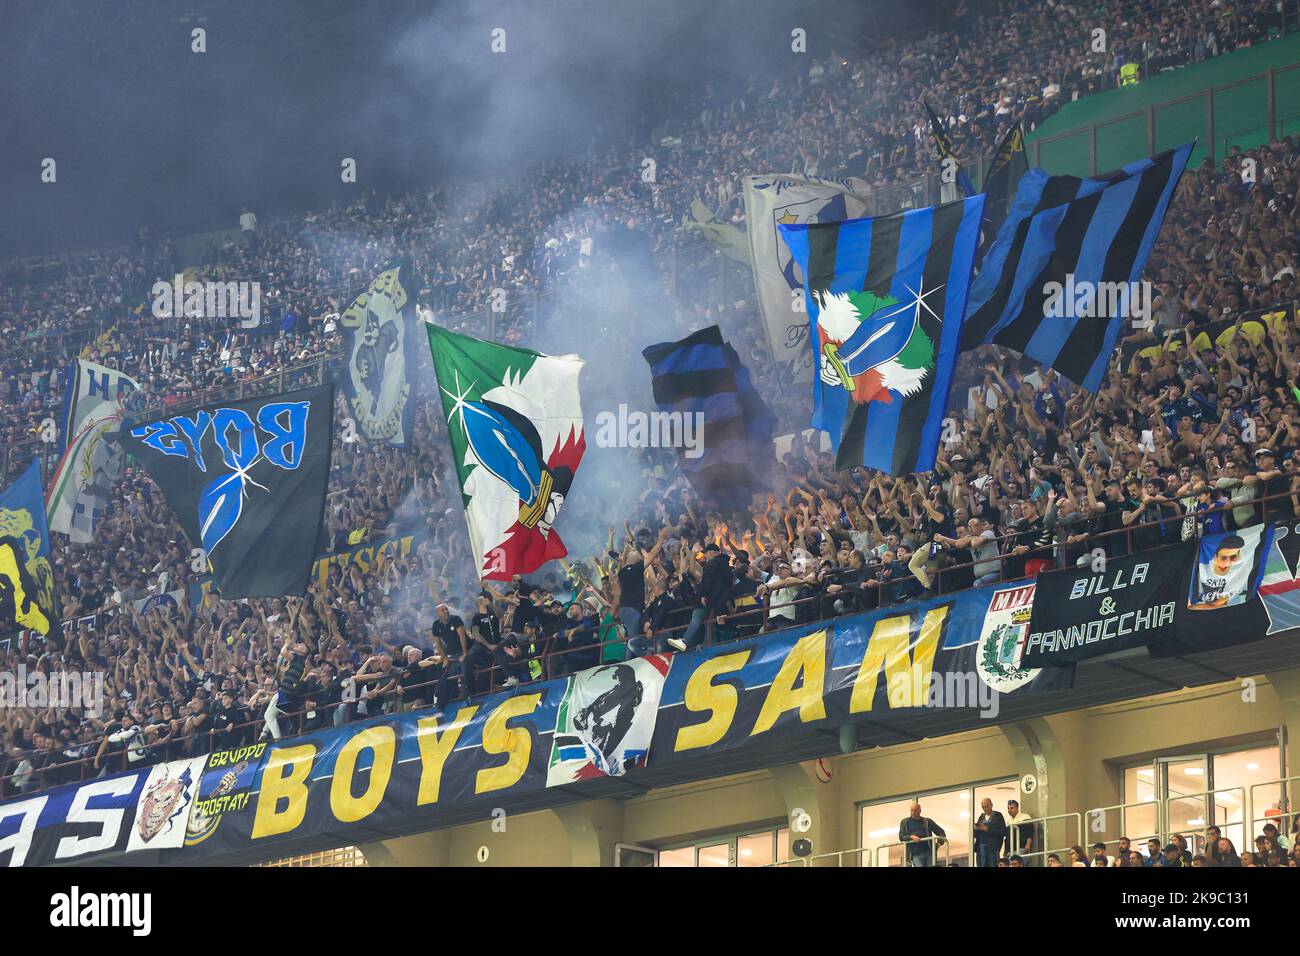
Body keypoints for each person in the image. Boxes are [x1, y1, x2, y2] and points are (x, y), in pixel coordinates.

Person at [898, 801, 947, 868]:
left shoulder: (927, 821)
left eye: (915, 810)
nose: (913, 812)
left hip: (929, 852)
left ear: (920, 811)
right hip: (915, 854)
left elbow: (941, 832)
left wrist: (938, 844)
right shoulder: (905, 822)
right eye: (911, 810)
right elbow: (901, 837)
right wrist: (911, 837)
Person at [973, 797, 1007, 867]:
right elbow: (976, 835)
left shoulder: (997, 816)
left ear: (991, 805)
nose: (985, 809)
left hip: (993, 848)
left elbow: (1003, 832)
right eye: (983, 807)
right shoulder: (981, 817)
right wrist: (976, 828)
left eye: (986, 806)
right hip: (981, 849)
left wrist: (988, 829)